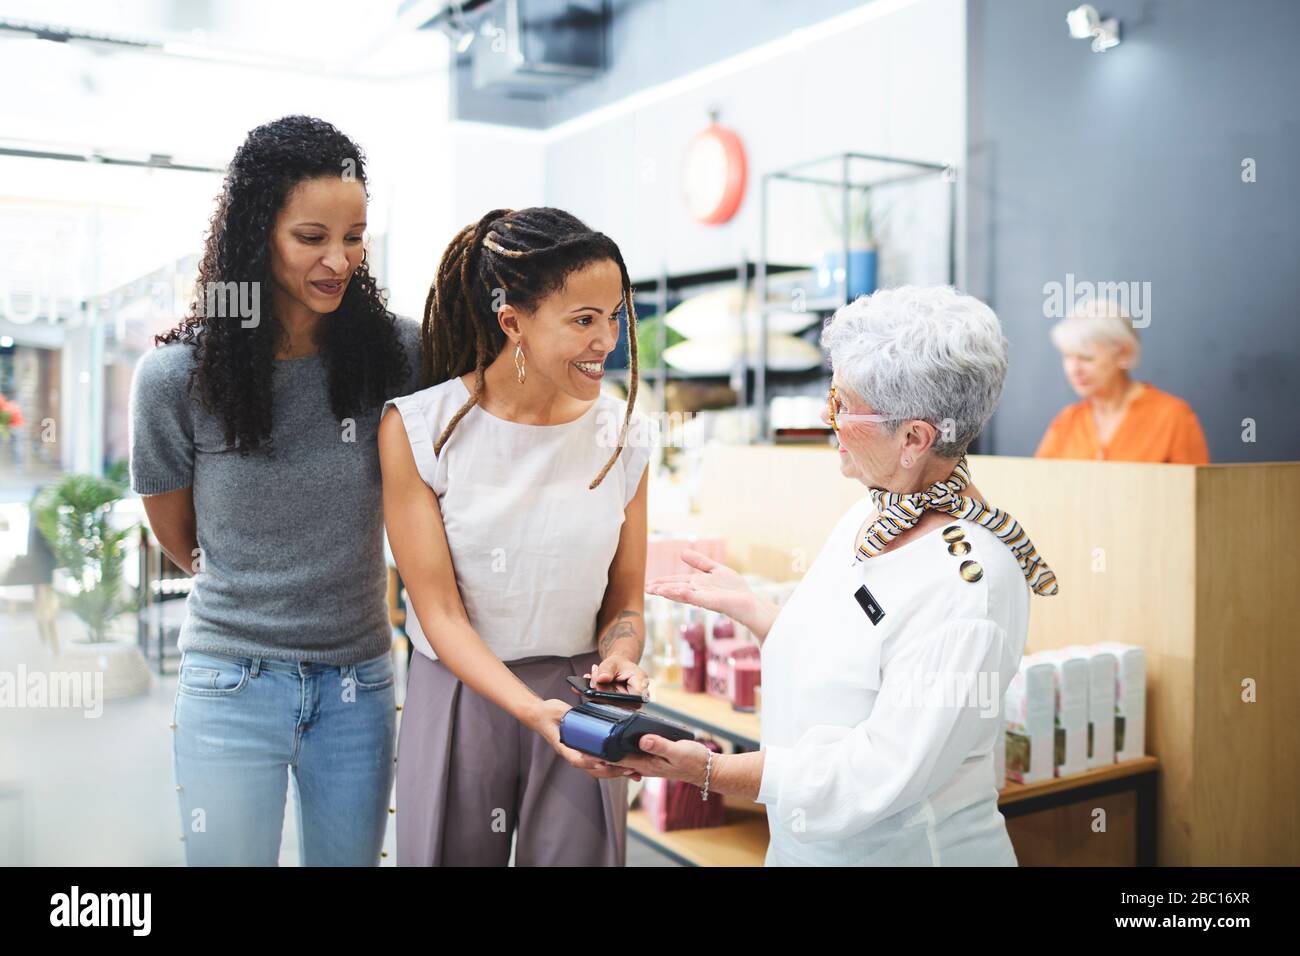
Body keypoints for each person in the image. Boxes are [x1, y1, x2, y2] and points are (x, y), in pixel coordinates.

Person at [624, 285, 1058, 866]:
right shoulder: (873, 513)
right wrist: (758, 613)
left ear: (915, 438)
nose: (827, 418)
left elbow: (878, 771)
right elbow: (848, 666)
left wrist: (714, 771)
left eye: (843, 405)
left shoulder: (967, 588)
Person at [130, 115, 419, 866]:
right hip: (232, 680)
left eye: (354, 237)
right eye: (311, 237)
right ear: (259, 235)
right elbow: (179, 536)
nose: (339, 259)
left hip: (356, 683)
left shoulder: (398, 355)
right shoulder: (175, 381)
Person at [381, 207, 652, 866]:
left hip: (582, 696)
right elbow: (439, 614)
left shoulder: (625, 433)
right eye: (583, 319)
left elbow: (626, 598)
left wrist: (624, 653)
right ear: (514, 323)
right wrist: (530, 710)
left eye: (614, 316)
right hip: (462, 696)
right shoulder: (419, 429)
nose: (607, 340)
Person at [1035, 300, 1209, 462]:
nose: (1074, 370)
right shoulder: (1067, 422)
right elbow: (1037, 484)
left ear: (1123, 354)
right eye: (1067, 357)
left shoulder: (1172, 416)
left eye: (1086, 358)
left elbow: (1196, 490)